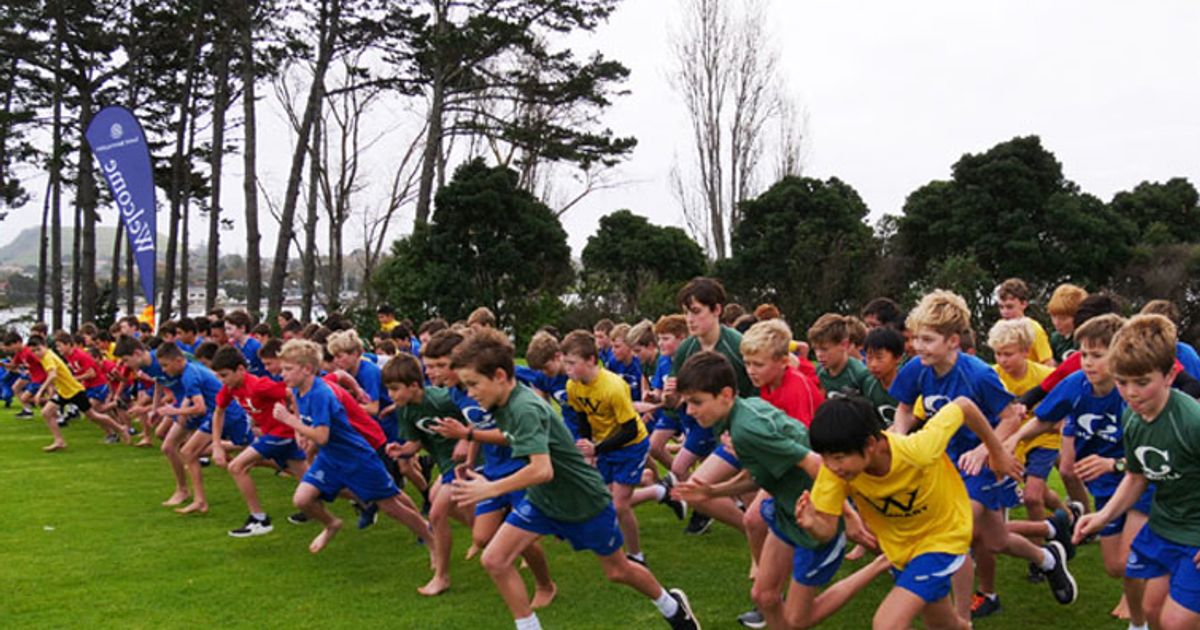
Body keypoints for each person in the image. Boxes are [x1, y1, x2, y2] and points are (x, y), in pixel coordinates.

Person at [447, 328, 700, 630]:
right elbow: (515, 437)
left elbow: (542, 469)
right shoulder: (502, 402)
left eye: (473, 384)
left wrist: (490, 487)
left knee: (618, 571)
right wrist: (474, 447)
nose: (470, 393)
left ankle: (672, 607)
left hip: (584, 501)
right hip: (545, 500)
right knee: (494, 559)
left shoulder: (524, 407)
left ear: (500, 375)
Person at [889, 290, 1077, 621]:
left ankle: (962, 620)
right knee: (995, 540)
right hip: (944, 463)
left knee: (954, 535)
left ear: (952, 341)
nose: (918, 346)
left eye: (928, 339)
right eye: (916, 338)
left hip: (984, 464)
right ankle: (1048, 559)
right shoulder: (917, 368)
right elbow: (904, 408)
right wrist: (900, 436)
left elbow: (1009, 417)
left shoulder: (977, 374)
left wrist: (982, 450)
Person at [675, 350, 886, 629]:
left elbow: (815, 464)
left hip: (817, 519)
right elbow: (761, 476)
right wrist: (711, 492)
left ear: (725, 394)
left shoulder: (748, 428)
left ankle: (881, 564)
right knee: (764, 596)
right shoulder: (735, 418)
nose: (689, 410)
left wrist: (846, 515)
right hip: (787, 512)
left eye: (696, 402)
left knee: (798, 620)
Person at [799, 395, 1029, 630]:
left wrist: (996, 451)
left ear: (869, 444)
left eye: (838, 458)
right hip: (901, 551)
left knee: (887, 624)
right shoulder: (834, 472)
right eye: (825, 458)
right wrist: (812, 525)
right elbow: (826, 530)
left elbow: (964, 405)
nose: (830, 466)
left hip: (944, 538)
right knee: (942, 623)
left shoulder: (919, 449)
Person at [1006, 313, 1151, 628]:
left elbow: (1152, 457)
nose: (1087, 362)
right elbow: (1045, 418)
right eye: (1083, 354)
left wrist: (1113, 463)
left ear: (1119, 355)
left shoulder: (1132, 396)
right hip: (1104, 488)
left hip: (1142, 485)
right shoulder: (1075, 385)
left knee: (1134, 560)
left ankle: (1142, 621)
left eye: (1096, 355)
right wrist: (1014, 437)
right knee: (1115, 566)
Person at [1075, 314, 1200, 630]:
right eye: (1121, 382)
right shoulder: (1132, 419)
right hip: (1163, 527)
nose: (1130, 393)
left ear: (1170, 375)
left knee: (1177, 621)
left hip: (1195, 534)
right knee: (1149, 610)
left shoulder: (1192, 421)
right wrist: (1101, 517)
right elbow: (1136, 476)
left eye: (1142, 382)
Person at [272, 339, 432, 556]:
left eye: (288, 369)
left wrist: (290, 421)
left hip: (357, 456)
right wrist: (300, 432)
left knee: (390, 504)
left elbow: (322, 435)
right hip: (330, 458)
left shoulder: (321, 393)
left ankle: (430, 537)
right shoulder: (300, 390)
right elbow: (312, 413)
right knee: (302, 499)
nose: (283, 374)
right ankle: (332, 524)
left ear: (307, 369)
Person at [974, 318, 1063, 617]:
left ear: (1026, 351)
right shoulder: (992, 377)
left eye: (1008, 353)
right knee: (1037, 496)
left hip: (1044, 440)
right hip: (1012, 445)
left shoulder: (1045, 376)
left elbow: (1065, 409)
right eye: (997, 353)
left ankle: (1038, 557)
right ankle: (1061, 520)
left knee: (1034, 496)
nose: (1002, 360)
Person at [561, 330, 657, 564]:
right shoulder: (573, 386)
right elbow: (583, 417)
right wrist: (587, 444)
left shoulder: (614, 386)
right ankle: (655, 488)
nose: (567, 369)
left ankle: (636, 555)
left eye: (572, 363)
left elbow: (630, 430)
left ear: (591, 360)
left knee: (620, 505)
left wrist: (597, 449)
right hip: (605, 444)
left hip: (631, 445)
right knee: (604, 499)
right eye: (565, 364)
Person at [210, 345, 310, 537]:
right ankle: (365, 499)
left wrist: (298, 427)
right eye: (219, 377)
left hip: (282, 434)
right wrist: (216, 445)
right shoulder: (230, 388)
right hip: (273, 435)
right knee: (312, 481)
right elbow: (218, 412)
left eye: (224, 375)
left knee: (237, 467)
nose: (222, 381)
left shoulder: (258, 385)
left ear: (240, 369)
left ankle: (259, 519)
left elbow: (291, 394)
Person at [155, 342, 248, 515]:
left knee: (259, 453)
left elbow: (200, 408)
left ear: (177, 360)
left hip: (227, 414)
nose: (164, 370)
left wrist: (175, 411)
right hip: (220, 413)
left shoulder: (189, 376)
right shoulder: (190, 370)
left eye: (165, 365)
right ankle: (199, 501)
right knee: (189, 452)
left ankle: (200, 501)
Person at [27, 335, 126, 451]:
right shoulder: (48, 356)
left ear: (45, 346)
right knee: (46, 412)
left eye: (38, 349)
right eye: (33, 351)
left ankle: (120, 428)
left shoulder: (49, 357)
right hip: (64, 392)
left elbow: (53, 374)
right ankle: (59, 441)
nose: (36, 353)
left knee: (93, 415)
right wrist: (52, 389)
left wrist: (40, 392)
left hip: (75, 391)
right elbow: (57, 375)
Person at [808, 313, 894, 426]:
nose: (819, 355)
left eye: (824, 349)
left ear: (844, 344)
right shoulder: (819, 372)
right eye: (815, 349)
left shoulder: (860, 375)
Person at [995, 277, 1054, 366]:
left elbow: (1047, 362)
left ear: (1024, 304)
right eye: (1001, 307)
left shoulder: (1034, 329)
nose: (1004, 312)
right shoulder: (998, 330)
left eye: (1009, 307)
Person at [1047, 283, 1088, 363]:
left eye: (1063, 318)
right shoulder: (1055, 339)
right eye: (1053, 316)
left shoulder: (1085, 339)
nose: (1056, 323)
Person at [225, 311, 269, 377]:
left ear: (242, 328)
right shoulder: (234, 346)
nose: (227, 332)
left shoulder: (255, 346)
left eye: (229, 329)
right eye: (225, 329)